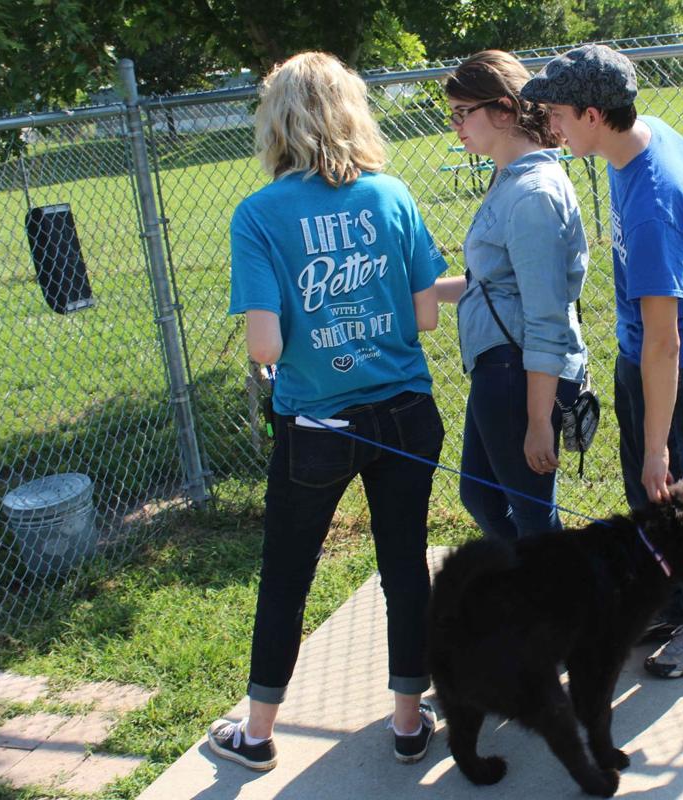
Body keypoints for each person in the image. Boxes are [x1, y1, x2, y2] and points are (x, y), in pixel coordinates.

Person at [209, 51, 448, 770]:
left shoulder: (258, 215)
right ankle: (408, 723)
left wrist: (294, 347)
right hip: (408, 413)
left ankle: (257, 734)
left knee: (287, 575)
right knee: (404, 565)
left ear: (277, 121)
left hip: (317, 428)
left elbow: (264, 343)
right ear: (351, 111)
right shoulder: (392, 195)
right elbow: (426, 316)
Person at [522, 45, 683, 679]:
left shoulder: (651, 196)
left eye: (559, 114)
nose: (551, 126)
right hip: (649, 351)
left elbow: (665, 341)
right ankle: (676, 601)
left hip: (669, 363)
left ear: (594, 114)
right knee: (652, 500)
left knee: (678, 498)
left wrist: (656, 448)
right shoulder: (645, 142)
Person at [434, 50, 589, 540]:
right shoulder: (510, 179)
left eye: (464, 113)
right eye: (452, 114)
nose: (457, 126)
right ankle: (538, 594)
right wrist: (420, 291)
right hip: (501, 369)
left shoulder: (532, 195)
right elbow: (495, 285)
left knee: (531, 514)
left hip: (521, 375)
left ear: (504, 110)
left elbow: (546, 316)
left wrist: (539, 419)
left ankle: (563, 609)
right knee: (480, 496)